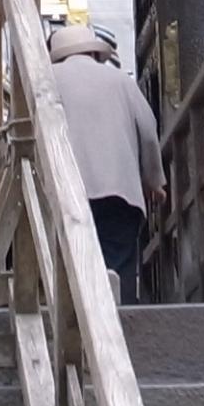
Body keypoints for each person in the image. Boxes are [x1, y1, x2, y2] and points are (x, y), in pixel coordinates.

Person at [48, 24, 161, 300]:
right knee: (117, 266)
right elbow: (148, 131)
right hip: (119, 190)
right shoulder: (120, 80)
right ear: (95, 53)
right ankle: (120, 329)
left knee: (69, 265)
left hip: (64, 192)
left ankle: (75, 329)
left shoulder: (46, 80)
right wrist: (154, 181)